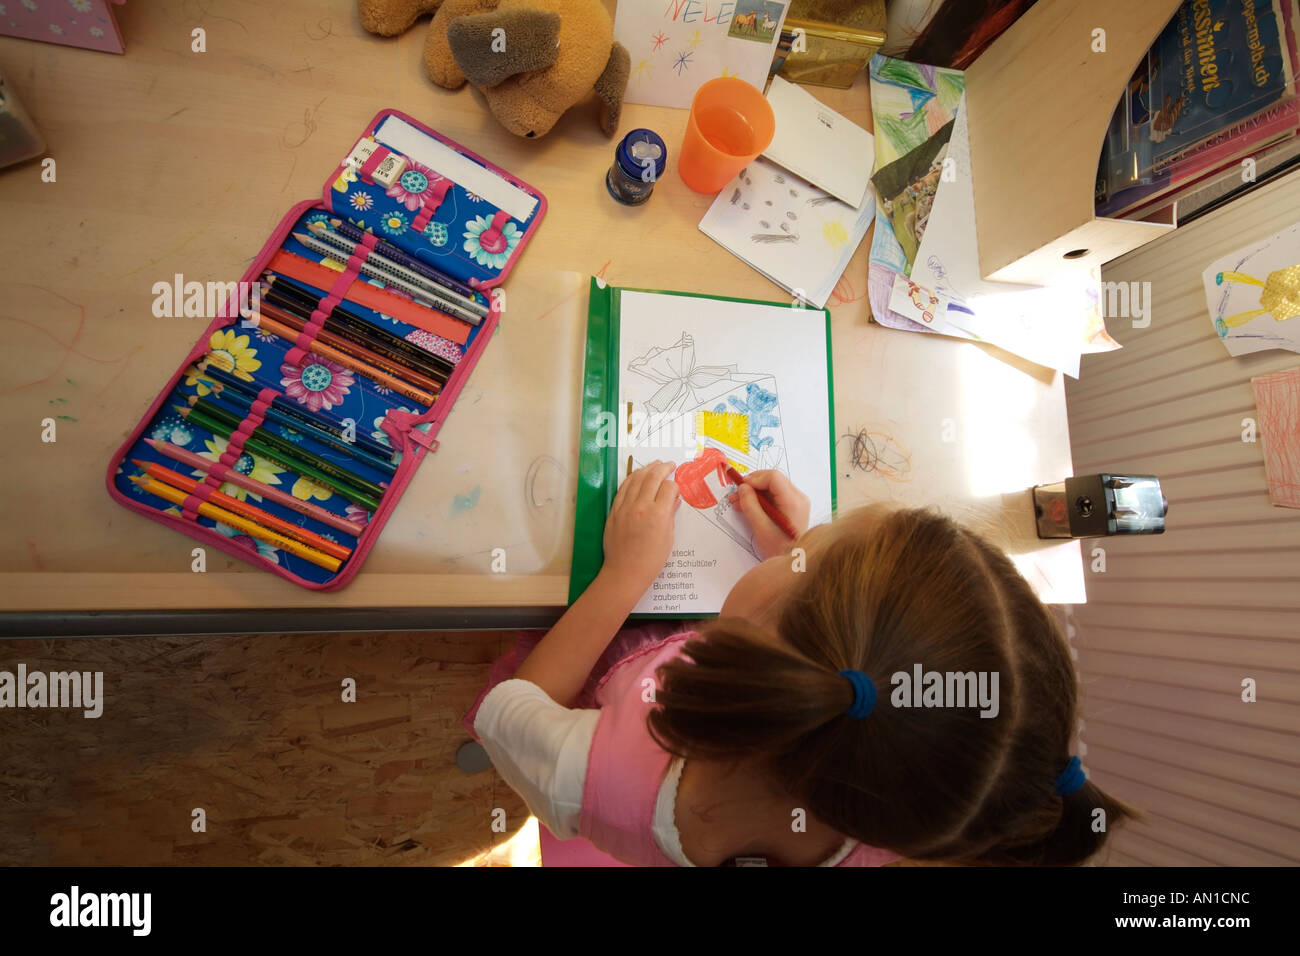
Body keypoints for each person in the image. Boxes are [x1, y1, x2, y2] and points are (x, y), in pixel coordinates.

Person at [463, 461, 1139, 866]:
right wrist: (795, 577)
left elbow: (510, 715)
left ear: (765, 635)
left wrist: (624, 576)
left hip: (589, 740)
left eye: (811, 547)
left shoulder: (603, 774)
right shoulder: (895, 807)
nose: (807, 533)